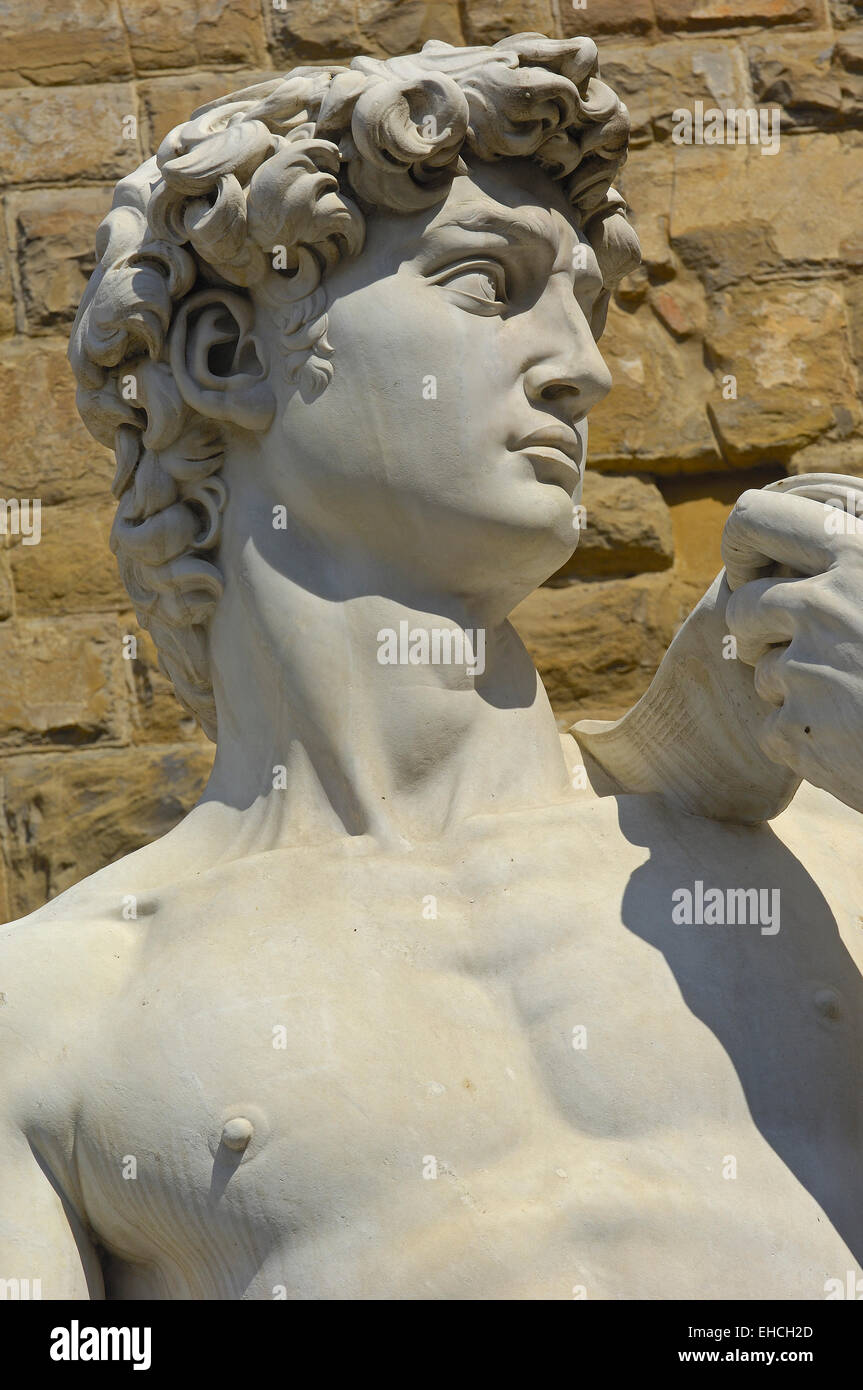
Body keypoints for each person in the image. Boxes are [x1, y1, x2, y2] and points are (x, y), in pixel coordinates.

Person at [1, 33, 860, 1300]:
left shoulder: (826, 859)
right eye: (483, 285)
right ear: (228, 357)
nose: (586, 368)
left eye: (584, 304)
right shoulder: (58, 1012)